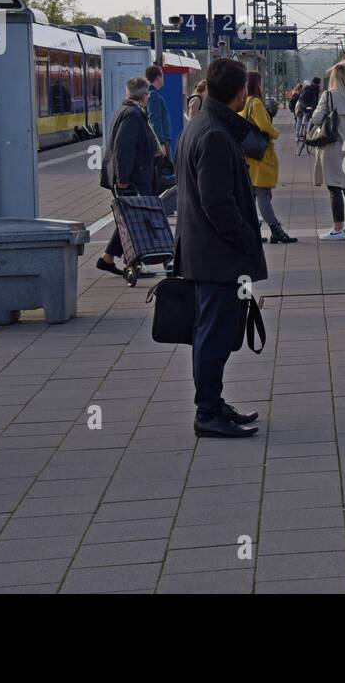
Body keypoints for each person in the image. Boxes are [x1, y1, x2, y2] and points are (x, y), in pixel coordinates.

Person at [173, 58, 266, 438]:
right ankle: (207, 412)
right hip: (216, 257)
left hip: (207, 252)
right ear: (241, 93)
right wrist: (247, 238)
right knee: (213, 336)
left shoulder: (200, 125)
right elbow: (218, 204)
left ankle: (214, 403)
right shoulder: (214, 134)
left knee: (213, 333)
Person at [97, 77, 162, 276]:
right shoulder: (133, 115)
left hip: (132, 176)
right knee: (135, 218)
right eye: (148, 95)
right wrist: (123, 178)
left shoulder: (124, 110)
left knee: (129, 218)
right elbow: (123, 148)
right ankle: (130, 264)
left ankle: (108, 259)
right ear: (143, 97)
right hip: (133, 178)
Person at [242, 70, 296, 245]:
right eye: (261, 82)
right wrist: (275, 133)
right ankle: (276, 229)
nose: (263, 85)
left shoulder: (245, 102)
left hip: (250, 156)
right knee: (263, 194)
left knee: (253, 196)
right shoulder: (256, 103)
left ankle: (251, 231)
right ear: (256, 84)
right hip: (260, 157)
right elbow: (264, 125)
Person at [311, 64, 345, 240]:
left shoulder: (328, 96)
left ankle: (337, 228)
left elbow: (316, 118)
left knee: (334, 187)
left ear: (333, 78)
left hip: (334, 147)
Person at [145, 64, 173, 159]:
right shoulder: (153, 96)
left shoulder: (152, 94)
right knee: (164, 171)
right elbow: (155, 120)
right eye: (162, 76)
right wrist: (161, 143)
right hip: (162, 141)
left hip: (162, 140)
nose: (163, 79)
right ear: (158, 78)